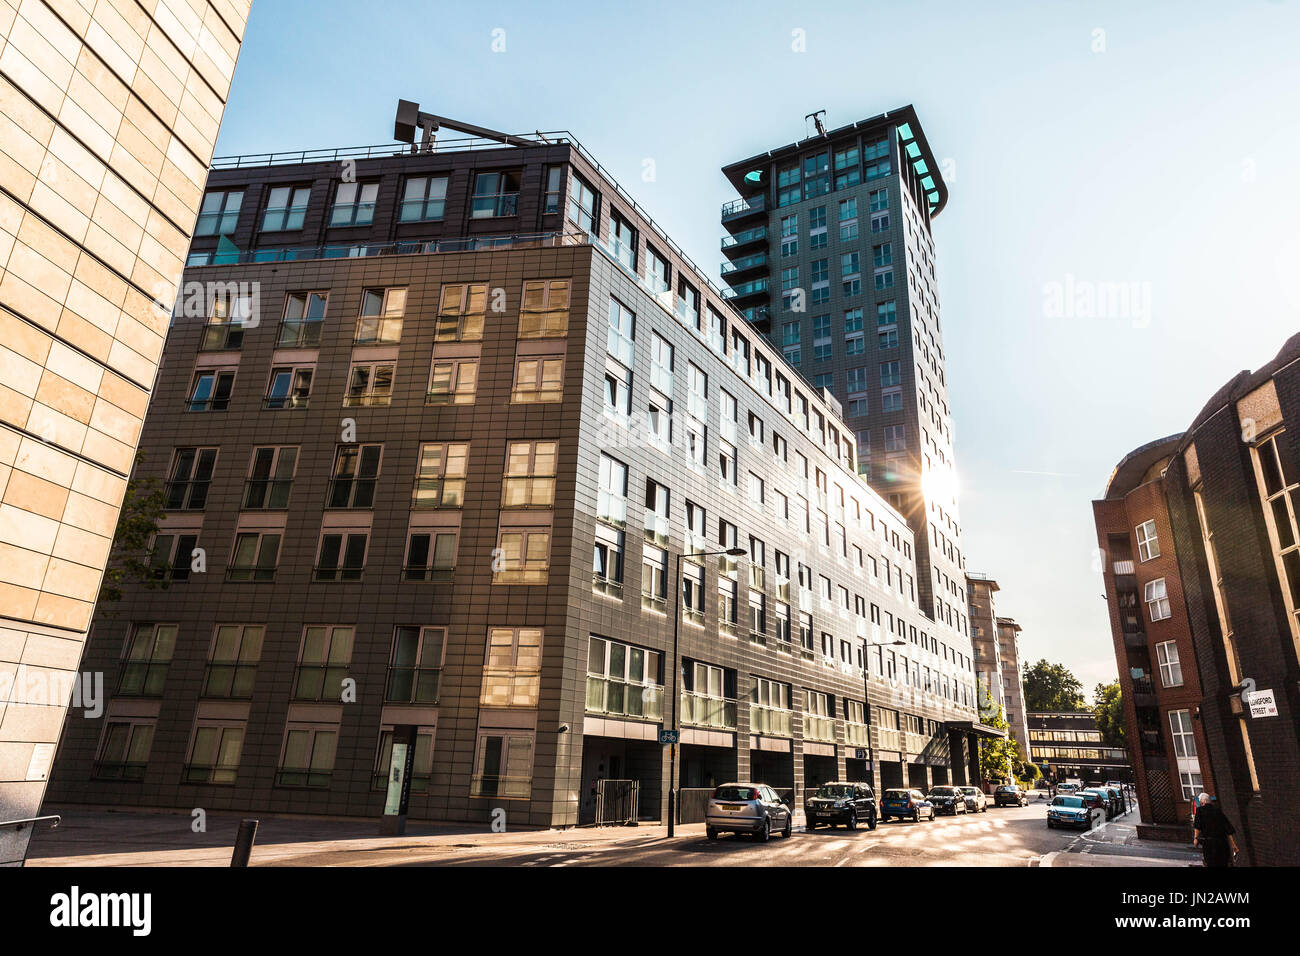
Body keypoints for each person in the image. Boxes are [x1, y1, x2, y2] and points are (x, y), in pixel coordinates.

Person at [1192, 792, 1238, 867]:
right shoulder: (1218, 811)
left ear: (1203, 802)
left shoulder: (1200, 811)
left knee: (1211, 863)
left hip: (1209, 844)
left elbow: (1197, 826)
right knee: (1223, 863)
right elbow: (1228, 829)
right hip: (1222, 844)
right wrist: (1234, 845)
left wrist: (1196, 838)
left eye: (1200, 803)